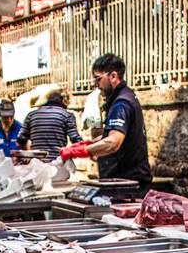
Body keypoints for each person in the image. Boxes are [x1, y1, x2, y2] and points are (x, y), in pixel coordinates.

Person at [61, 53, 151, 190]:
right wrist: (89, 144)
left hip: (127, 183)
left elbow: (113, 142)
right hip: (121, 180)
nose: (97, 85)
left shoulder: (122, 103)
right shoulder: (124, 97)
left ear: (113, 76)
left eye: (98, 79)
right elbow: (111, 135)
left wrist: (84, 151)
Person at [21, 89, 81, 159]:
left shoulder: (31, 115)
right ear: (64, 101)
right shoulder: (67, 115)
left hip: (36, 163)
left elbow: (21, 140)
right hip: (57, 162)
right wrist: (88, 148)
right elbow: (75, 138)